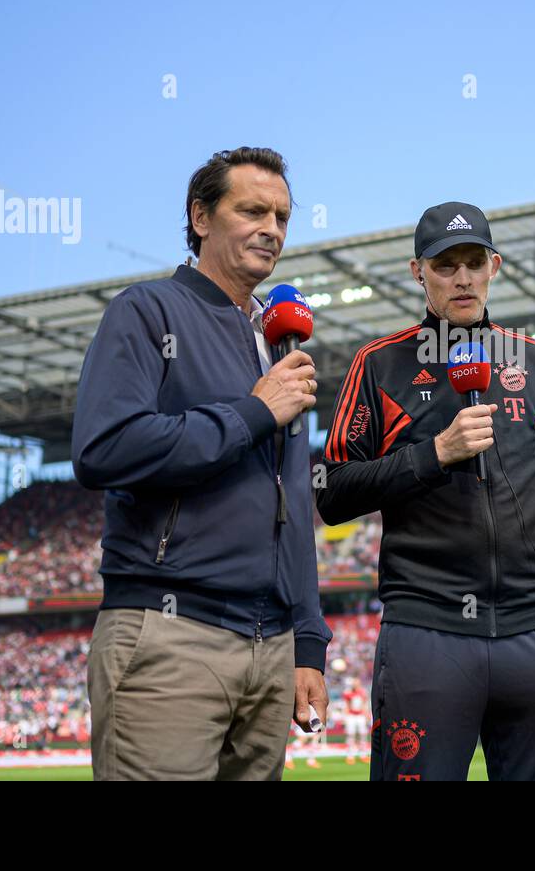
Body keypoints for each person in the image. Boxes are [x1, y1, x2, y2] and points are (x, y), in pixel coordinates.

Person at [317, 201, 535, 781]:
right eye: (446, 265)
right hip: (428, 632)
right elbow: (331, 490)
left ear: (494, 266)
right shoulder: (378, 364)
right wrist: (433, 455)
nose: (463, 278)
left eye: (475, 262)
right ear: (417, 271)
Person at [73, 147, 331, 780]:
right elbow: (103, 448)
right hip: (170, 634)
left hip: (271, 650)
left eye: (282, 216)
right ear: (201, 217)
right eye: (251, 210)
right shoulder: (146, 310)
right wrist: (250, 413)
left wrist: (308, 642)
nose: (271, 228)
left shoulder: (278, 345)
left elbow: (293, 504)